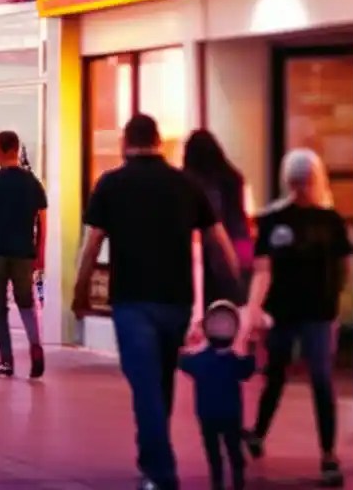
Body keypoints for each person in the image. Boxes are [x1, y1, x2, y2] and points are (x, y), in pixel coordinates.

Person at [71, 114, 241, 490]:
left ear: (125, 142)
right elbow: (219, 243)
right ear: (158, 141)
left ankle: (160, 472)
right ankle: (151, 458)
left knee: (145, 384)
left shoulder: (111, 184)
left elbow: (93, 244)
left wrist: (80, 291)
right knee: (161, 381)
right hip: (176, 301)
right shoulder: (186, 184)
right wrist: (235, 289)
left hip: (132, 300)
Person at [244, 148, 352, 488]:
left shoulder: (330, 221)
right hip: (283, 311)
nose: (301, 188)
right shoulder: (273, 220)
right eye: (296, 182)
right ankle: (258, 433)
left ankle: (328, 453)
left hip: (318, 312)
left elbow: (342, 266)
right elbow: (263, 268)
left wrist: (334, 304)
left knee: (321, 379)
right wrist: (255, 309)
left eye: (306, 182)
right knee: (275, 373)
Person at [0, 130, 48, 378]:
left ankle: (6, 360)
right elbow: (42, 220)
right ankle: (35, 344)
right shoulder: (32, 183)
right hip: (24, 253)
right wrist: (40, 251)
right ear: (16, 149)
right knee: (26, 302)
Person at [178, 301, 254, 490]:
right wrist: (249, 344)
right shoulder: (234, 361)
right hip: (231, 414)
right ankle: (236, 477)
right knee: (232, 448)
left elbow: (182, 360)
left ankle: (218, 480)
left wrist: (187, 340)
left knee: (214, 451)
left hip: (207, 414)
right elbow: (248, 369)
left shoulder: (199, 361)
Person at [183, 130, 255, 303]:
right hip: (231, 248)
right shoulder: (233, 178)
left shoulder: (187, 182)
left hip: (198, 252)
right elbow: (240, 218)